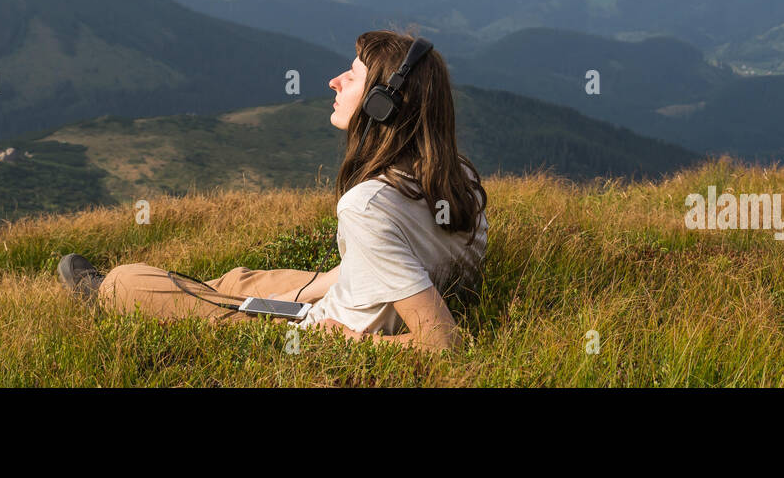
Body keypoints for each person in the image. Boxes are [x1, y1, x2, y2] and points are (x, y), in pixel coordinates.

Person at [57, 30, 488, 354]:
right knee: (240, 280)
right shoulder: (460, 181)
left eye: (351, 76)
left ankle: (109, 293)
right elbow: (403, 263)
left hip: (315, 337)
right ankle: (223, 295)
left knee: (127, 282)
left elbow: (442, 342)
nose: (334, 81)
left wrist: (354, 340)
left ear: (382, 105)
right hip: (363, 295)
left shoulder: (367, 206)